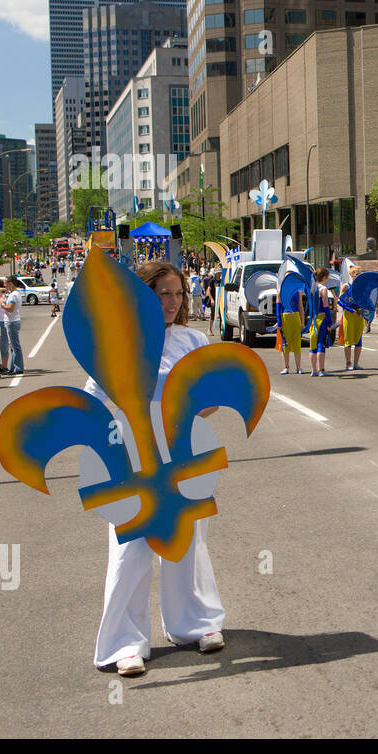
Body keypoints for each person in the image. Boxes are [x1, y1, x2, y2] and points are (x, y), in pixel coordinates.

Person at [87, 261, 225, 677]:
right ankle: (123, 643)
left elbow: (212, 399)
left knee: (186, 541)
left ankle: (194, 624)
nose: (172, 301)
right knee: (131, 551)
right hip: (132, 456)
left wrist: (192, 406)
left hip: (184, 455)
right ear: (144, 296)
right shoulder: (119, 342)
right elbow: (92, 402)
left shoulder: (193, 339)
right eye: (164, 293)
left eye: (178, 294)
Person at [308, 268, 336, 377]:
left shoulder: (312, 288)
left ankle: (313, 370)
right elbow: (326, 307)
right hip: (322, 318)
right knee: (321, 344)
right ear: (324, 277)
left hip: (313, 319)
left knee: (312, 345)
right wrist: (329, 322)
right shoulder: (323, 289)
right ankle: (321, 370)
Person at [277, 287, 305, 375]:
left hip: (296, 316)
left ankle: (298, 367)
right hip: (285, 316)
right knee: (286, 343)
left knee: (297, 342)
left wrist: (303, 320)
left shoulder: (298, 291)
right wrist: (279, 322)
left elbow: (300, 306)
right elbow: (278, 307)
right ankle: (286, 367)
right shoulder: (281, 291)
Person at [0, 277, 25, 375]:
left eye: (6, 283)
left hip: (12, 321)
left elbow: (10, 309)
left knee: (15, 345)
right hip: (12, 321)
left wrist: (2, 304)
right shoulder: (14, 294)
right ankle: (13, 367)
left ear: (11, 284)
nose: (4, 285)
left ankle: (18, 367)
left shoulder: (14, 295)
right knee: (12, 346)